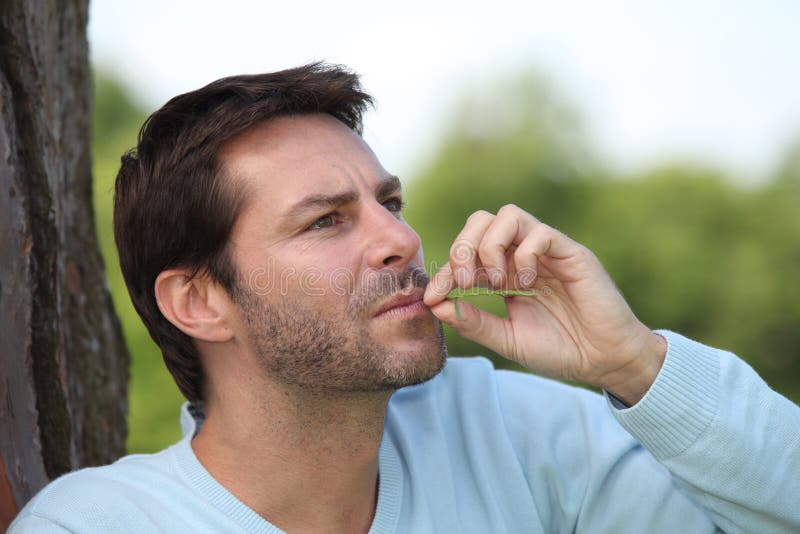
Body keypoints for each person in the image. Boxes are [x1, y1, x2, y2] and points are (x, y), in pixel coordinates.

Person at [9, 62, 800, 534]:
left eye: (389, 202)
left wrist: (636, 363)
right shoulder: (98, 526)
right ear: (200, 302)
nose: (400, 240)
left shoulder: (513, 435)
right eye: (326, 221)